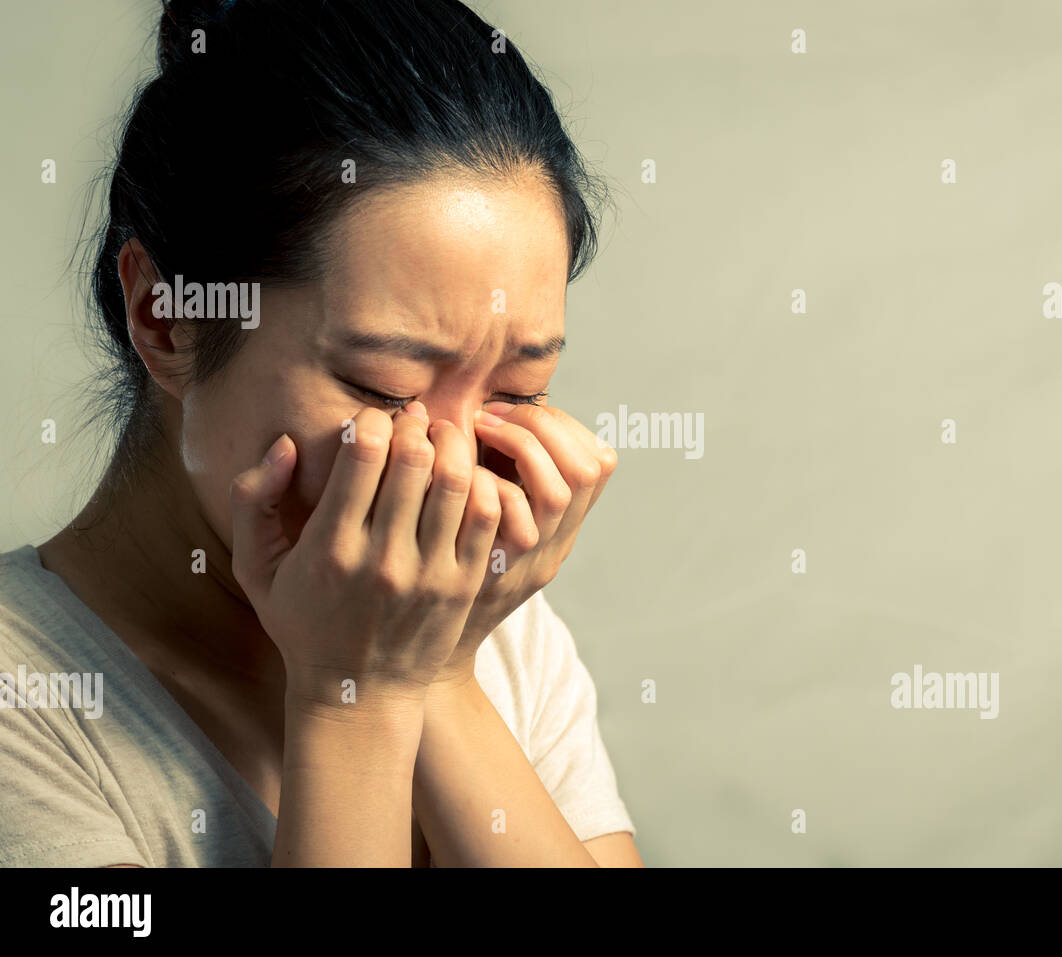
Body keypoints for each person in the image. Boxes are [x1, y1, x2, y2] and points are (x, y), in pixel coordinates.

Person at [0, 0, 641, 867]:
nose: (451, 469)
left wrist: (444, 674)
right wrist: (360, 698)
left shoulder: (489, 628)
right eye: (384, 388)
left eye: (519, 389)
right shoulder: (25, 698)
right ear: (165, 317)